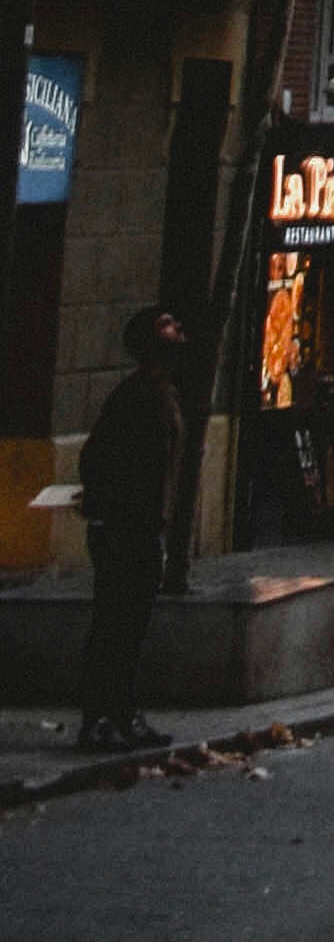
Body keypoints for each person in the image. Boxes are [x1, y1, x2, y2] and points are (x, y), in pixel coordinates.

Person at [76, 307, 186, 753]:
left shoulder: (163, 392)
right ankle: (100, 718)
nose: (177, 328)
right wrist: (108, 509)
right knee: (114, 625)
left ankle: (121, 714)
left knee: (131, 626)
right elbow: (96, 457)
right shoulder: (134, 395)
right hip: (125, 528)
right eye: (167, 323)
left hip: (143, 527)